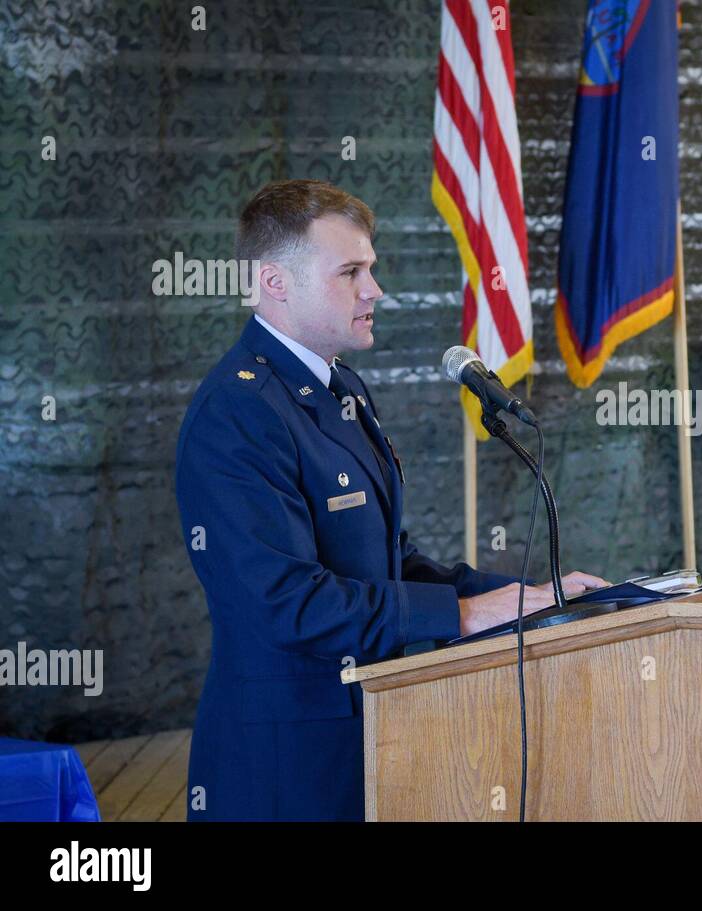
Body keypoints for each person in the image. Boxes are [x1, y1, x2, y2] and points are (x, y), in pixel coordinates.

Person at [175, 180, 606, 820]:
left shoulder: (340, 387)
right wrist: (461, 617)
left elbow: (387, 559)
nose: (375, 290)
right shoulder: (238, 412)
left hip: (376, 737)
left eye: (370, 269)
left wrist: (534, 600)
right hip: (287, 769)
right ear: (274, 282)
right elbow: (286, 605)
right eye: (351, 272)